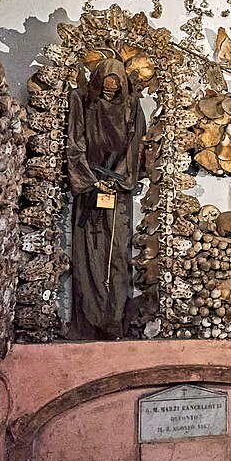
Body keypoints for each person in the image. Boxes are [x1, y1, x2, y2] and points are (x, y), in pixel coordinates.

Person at [66, 58, 146, 339]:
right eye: (105, 89)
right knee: (88, 252)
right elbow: (75, 143)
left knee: (117, 253)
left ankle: (113, 318)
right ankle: (89, 318)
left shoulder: (132, 106)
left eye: (115, 89)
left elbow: (135, 146)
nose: (109, 94)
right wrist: (91, 180)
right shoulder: (81, 100)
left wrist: (117, 180)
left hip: (117, 192)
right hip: (89, 190)